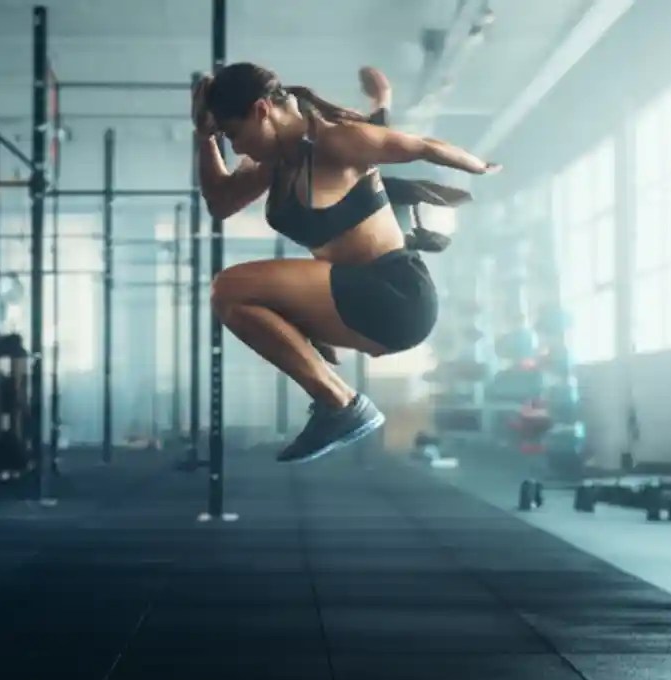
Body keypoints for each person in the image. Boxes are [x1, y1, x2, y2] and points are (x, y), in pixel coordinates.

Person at [193, 62, 500, 464]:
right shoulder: (276, 163)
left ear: (262, 110)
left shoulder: (335, 142)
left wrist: (480, 166)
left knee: (230, 288)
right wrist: (205, 136)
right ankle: (337, 403)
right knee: (232, 300)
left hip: (397, 296)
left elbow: (420, 145)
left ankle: (340, 404)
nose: (235, 149)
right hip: (357, 299)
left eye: (233, 134)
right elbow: (220, 202)